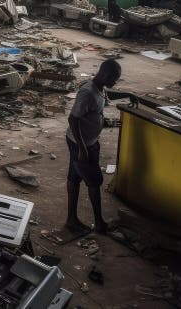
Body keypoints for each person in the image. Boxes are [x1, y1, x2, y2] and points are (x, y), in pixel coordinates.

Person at [66, 59, 137, 234]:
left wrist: (127, 94)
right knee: (95, 182)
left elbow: (106, 96)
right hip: (81, 144)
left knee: (74, 178)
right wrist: (82, 149)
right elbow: (73, 120)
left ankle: (71, 220)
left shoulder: (99, 88)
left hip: (87, 142)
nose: (115, 82)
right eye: (114, 79)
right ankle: (99, 223)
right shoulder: (87, 93)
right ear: (106, 75)